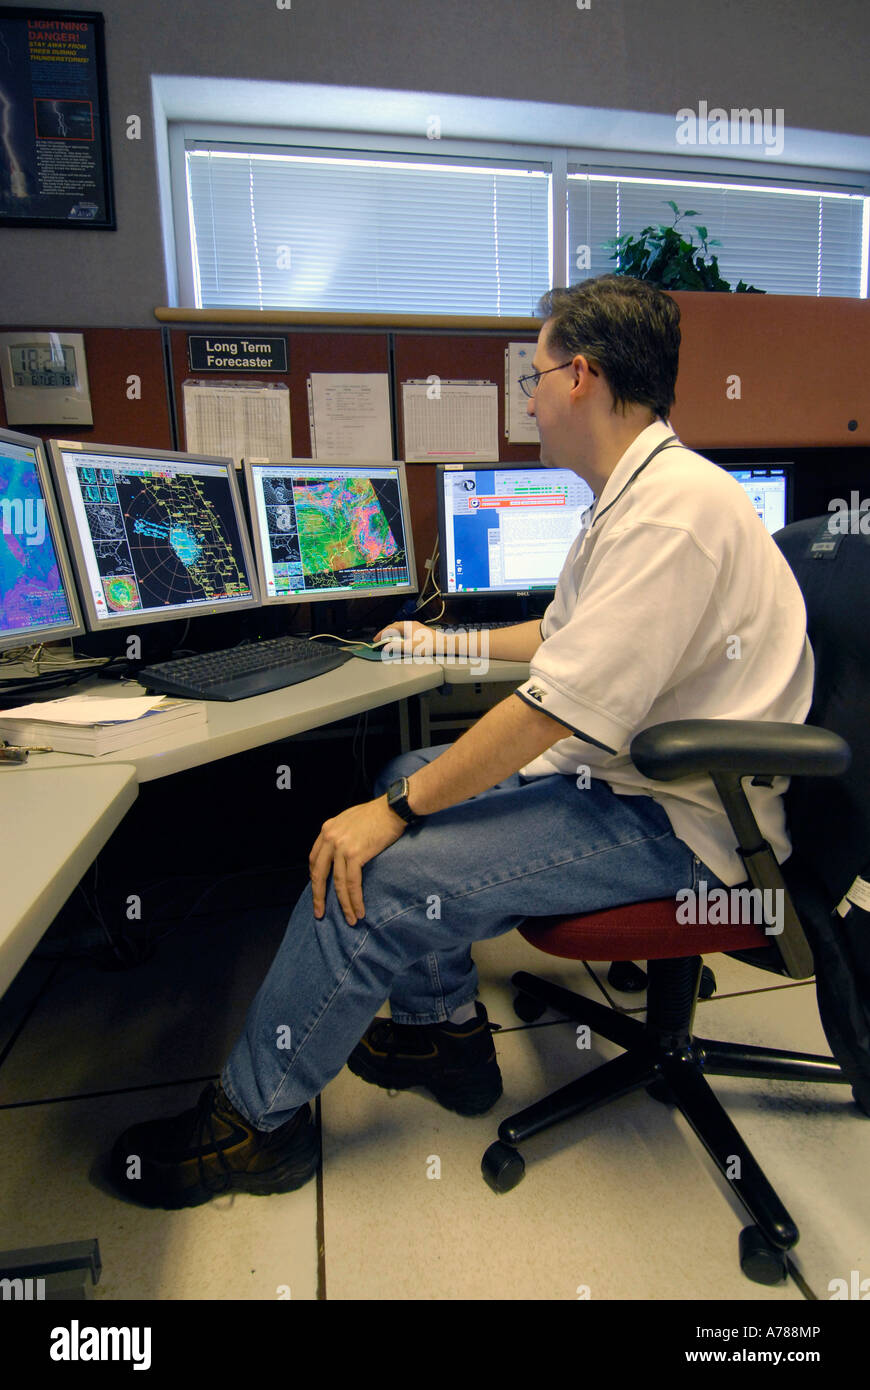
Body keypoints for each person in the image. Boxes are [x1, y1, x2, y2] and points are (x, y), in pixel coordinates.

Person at [108, 274, 814, 1208]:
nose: (527, 393)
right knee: (411, 767)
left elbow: (550, 707)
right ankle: (445, 1037)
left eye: (536, 372)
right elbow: (557, 641)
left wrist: (390, 815)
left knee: (378, 871)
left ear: (582, 378)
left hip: (682, 825)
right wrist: (441, 644)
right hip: (638, 782)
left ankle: (252, 1126)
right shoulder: (631, 494)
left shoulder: (670, 515)